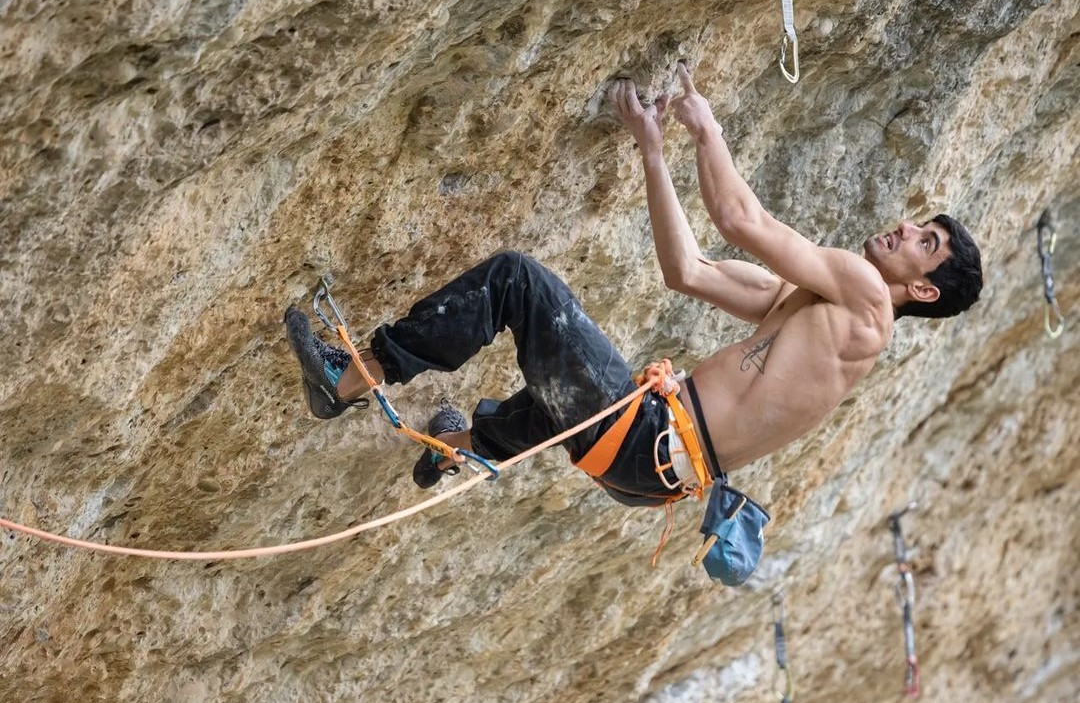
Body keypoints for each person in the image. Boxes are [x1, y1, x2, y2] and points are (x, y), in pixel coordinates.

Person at [284, 63, 982, 512]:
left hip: (644, 436)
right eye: (920, 223)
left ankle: (347, 379)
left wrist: (706, 129)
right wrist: (653, 148)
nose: (904, 228)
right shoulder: (824, 315)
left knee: (516, 282)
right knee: (562, 395)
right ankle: (460, 445)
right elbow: (691, 271)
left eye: (926, 242)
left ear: (922, 290)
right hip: (644, 473)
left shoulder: (865, 298)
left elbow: (742, 218)